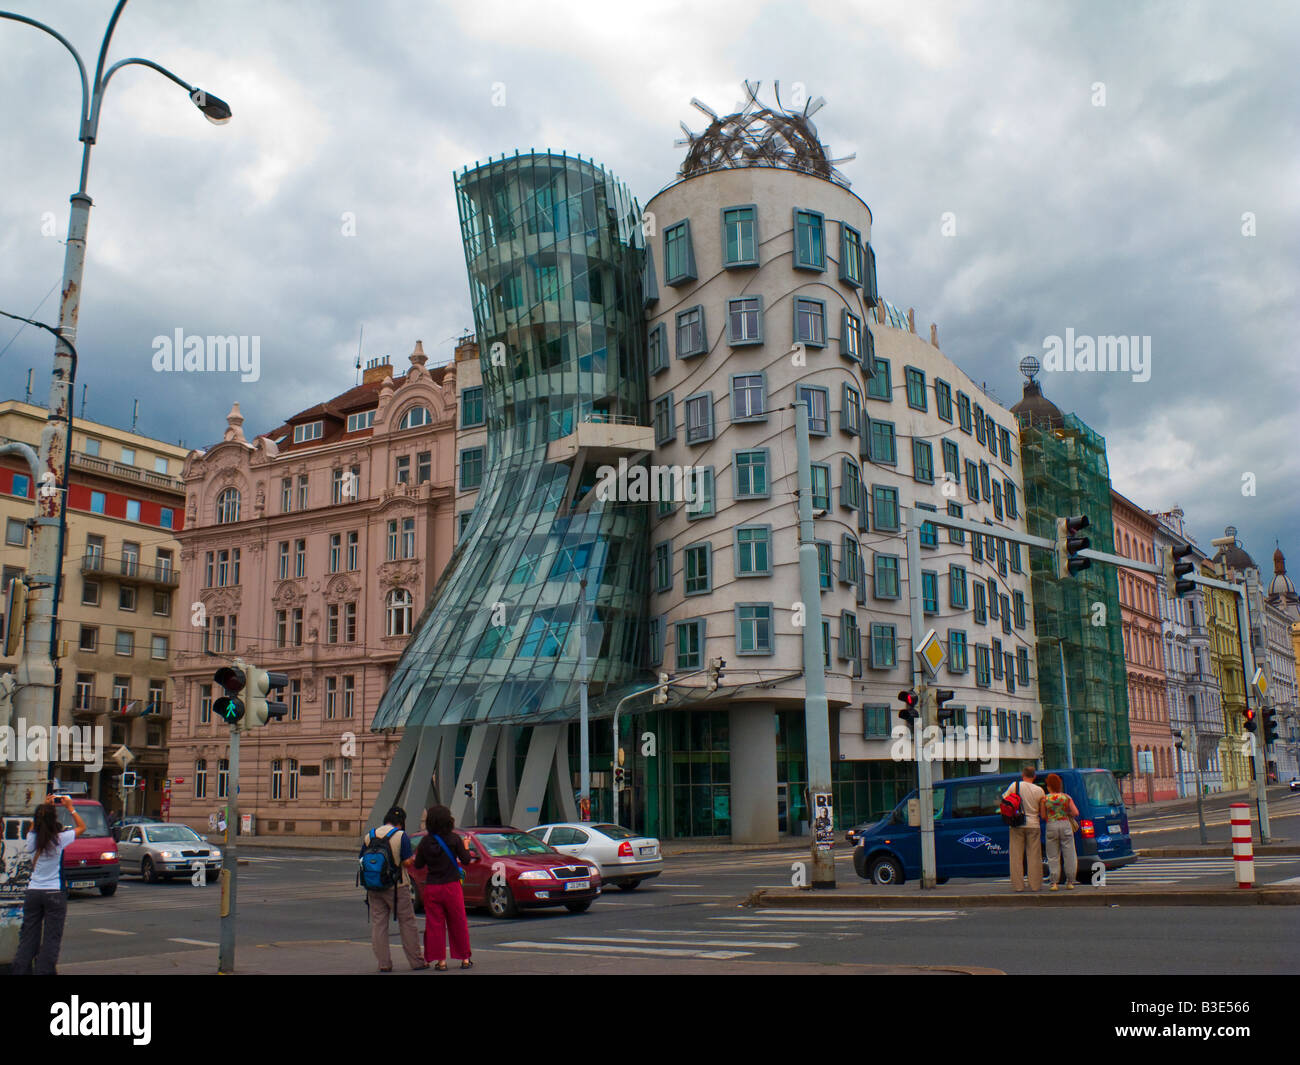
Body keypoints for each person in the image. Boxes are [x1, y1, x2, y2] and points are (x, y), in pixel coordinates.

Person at [12, 795, 85, 975]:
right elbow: (82, 827)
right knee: (51, 938)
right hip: (54, 892)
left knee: (28, 935)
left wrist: (44, 808)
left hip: (33, 892)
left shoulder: (31, 839)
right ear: (54, 820)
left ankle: (20, 970)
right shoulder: (60, 838)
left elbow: (33, 827)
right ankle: (44, 972)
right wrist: (70, 807)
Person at [360, 806, 426, 972]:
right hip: (397, 887)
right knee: (407, 922)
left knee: (379, 924)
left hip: (373, 886)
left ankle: (384, 964)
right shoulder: (400, 836)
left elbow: (361, 858)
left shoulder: (370, 835)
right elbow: (406, 862)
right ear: (401, 823)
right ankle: (416, 961)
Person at [413, 805, 477, 970]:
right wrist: (466, 846)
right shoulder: (454, 839)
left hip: (433, 886)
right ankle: (464, 958)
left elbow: (419, 864)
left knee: (435, 925)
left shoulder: (425, 841)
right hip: (452, 886)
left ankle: (440, 961)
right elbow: (465, 860)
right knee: (458, 922)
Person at [1003, 765, 1045, 893]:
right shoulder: (1039, 790)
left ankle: (1018, 886)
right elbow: (1042, 812)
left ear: (1023, 775)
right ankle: (1035, 885)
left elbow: (1005, 801)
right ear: (1035, 776)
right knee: (1034, 855)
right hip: (1033, 825)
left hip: (1016, 824)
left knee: (1016, 855)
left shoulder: (1014, 786)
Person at [1041, 773, 1079, 890]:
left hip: (1051, 825)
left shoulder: (1045, 799)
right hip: (1065, 824)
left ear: (1049, 786)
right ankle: (1070, 881)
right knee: (1069, 854)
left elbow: (1042, 815)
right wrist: (1066, 813)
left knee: (1053, 855)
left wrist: (1050, 817)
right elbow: (1075, 813)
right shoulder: (1066, 797)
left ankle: (1054, 882)